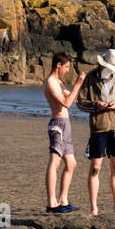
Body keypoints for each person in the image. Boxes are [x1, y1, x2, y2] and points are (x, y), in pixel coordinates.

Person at [77, 48, 115, 216]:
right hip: (98, 128)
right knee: (95, 167)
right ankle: (94, 208)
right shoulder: (90, 78)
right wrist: (96, 105)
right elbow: (80, 103)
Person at [44, 51, 86, 212]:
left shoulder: (59, 83)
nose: (68, 70)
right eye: (67, 67)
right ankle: (51, 203)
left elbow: (74, 98)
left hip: (66, 125)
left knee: (71, 163)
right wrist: (77, 84)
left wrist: (81, 83)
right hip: (58, 125)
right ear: (58, 65)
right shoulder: (51, 83)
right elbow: (66, 103)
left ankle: (63, 200)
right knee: (54, 162)